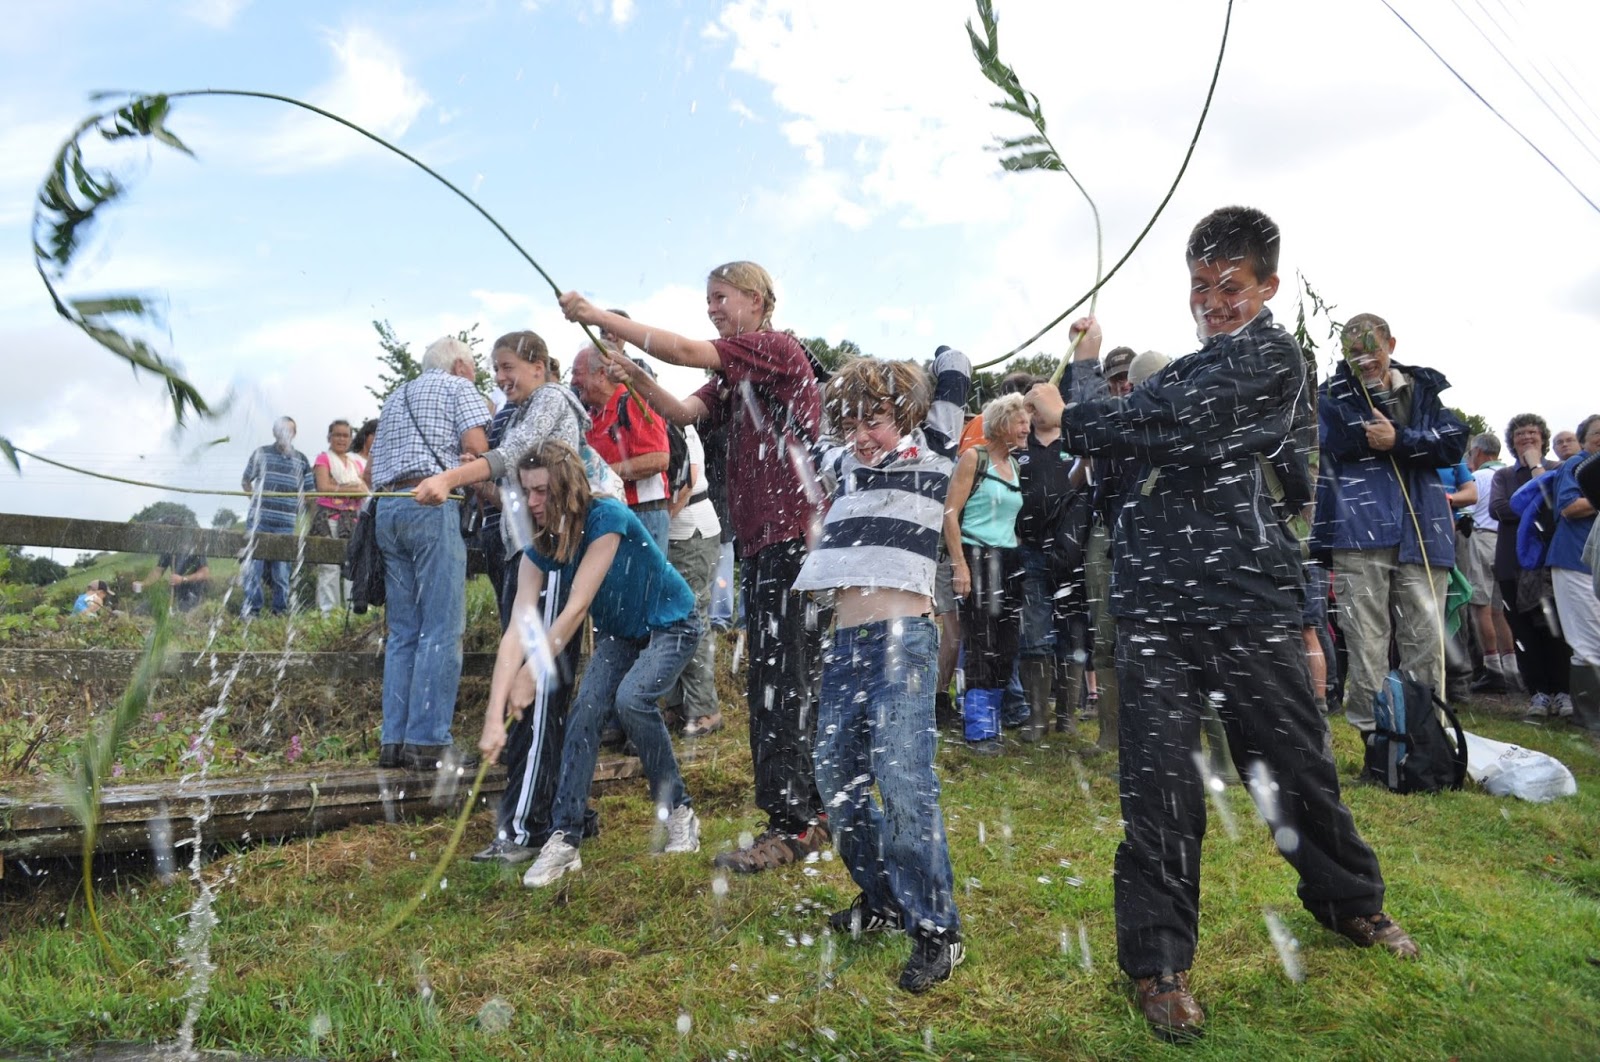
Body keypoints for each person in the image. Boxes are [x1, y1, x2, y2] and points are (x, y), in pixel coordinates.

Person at [1027, 206, 1416, 1042]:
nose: (1212, 302)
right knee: (1158, 778)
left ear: (1267, 286)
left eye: (1229, 287)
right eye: (1200, 287)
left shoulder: (1276, 357)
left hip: (1245, 595)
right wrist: (1082, 373)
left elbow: (1163, 425)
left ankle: (1352, 903)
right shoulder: (1184, 371)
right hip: (1156, 600)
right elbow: (1128, 436)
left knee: (1293, 762)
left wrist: (1078, 399)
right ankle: (1158, 963)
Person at [558, 260, 831, 876]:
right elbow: (681, 412)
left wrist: (600, 318)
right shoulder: (737, 376)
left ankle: (798, 822)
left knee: (785, 679)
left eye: (721, 297)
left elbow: (685, 351)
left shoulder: (774, 348)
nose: (711, 308)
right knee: (774, 677)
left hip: (794, 538)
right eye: (707, 299)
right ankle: (804, 814)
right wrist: (631, 377)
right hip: (764, 541)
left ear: (757, 300)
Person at [793, 358, 963, 993]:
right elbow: (803, 406)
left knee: (902, 778)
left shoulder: (936, 453)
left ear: (909, 416)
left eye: (877, 419)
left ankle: (936, 928)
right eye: (850, 421)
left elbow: (954, 367)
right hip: (844, 644)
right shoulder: (843, 464)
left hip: (903, 641)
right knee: (835, 778)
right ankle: (887, 898)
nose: (862, 433)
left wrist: (909, 373)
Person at [488, 442, 703, 888]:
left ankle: (680, 812)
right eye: (527, 491)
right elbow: (516, 630)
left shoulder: (607, 518)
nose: (533, 503)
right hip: (621, 633)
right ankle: (565, 838)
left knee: (632, 700)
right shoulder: (543, 542)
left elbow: (577, 605)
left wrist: (532, 673)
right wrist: (494, 718)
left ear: (566, 487)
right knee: (583, 715)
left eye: (543, 491)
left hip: (671, 622)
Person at [1313, 313, 1467, 734]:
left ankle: (1426, 738)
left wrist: (1400, 440)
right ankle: (1377, 740)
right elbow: (1340, 439)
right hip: (1359, 533)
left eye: (1372, 349)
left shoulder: (1425, 390)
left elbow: (1453, 442)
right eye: (1354, 352)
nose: (1364, 359)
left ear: (1391, 344)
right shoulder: (1332, 395)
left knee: (1424, 641)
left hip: (1423, 534)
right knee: (1365, 641)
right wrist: (1411, 439)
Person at [367, 336, 491, 771]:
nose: (475, 376)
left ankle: (394, 741)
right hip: (431, 503)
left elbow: (370, 468)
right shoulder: (458, 388)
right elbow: (478, 449)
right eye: (475, 368)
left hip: (386, 508)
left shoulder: (395, 396)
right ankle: (429, 741)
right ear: (460, 365)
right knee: (441, 627)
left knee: (403, 631)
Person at [943, 393, 1028, 753]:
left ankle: (991, 722)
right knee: (981, 642)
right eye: (1020, 421)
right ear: (1001, 423)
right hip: (977, 556)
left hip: (1010, 561)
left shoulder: (1016, 466)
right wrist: (960, 564)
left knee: (1006, 645)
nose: (1027, 427)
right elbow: (950, 513)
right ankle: (978, 730)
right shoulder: (973, 458)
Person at [1488, 414, 1571, 719]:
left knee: (1554, 630)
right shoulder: (1504, 476)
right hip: (1512, 562)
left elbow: (1554, 506)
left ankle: (1563, 692)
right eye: (1520, 434)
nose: (1526, 438)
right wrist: (1531, 502)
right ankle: (1538, 693)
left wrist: (1536, 471)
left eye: (1532, 432)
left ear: (1542, 438)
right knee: (1523, 632)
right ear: (1511, 441)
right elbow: (1498, 508)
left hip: (1549, 563)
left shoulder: (1558, 470)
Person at [568, 343, 673, 553]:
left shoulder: (635, 400)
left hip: (641, 515)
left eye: (577, 373)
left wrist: (602, 474)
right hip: (610, 514)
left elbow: (659, 459)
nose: (572, 382)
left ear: (600, 374)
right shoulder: (592, 416)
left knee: (641, 585)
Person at [663, 423, 725, 736]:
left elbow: (688, 480)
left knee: (692, 617)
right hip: (671, 530)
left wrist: (660, 522)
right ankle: (676, 704)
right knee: (667, 620)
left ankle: (704, 708)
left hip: (690, 530)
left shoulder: (678, 423)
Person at [1550, 415, 1600, 731]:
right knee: (1589, 640)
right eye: (1597, 433)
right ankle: (1589, 717)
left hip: (1593, 565)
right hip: (1575, 562)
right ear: (1583, 441)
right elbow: (1569, 507)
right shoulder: (1577, 465)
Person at [1462, 433, 1518, 694]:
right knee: (1501, 609)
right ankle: (1512, 669)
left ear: (1480, 453)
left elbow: (1466, 511)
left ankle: (1493, 669)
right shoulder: (1511, 475)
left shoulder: (1479, 478)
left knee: (1481, 607)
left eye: (1472, 453)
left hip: (1482, 538)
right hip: (1508, 543)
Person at [240, 416, 312, 617]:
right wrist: (254, 502)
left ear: (294, 434)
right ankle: (252, 611)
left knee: (281, 572)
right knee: (253, 568)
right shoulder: (261, 453)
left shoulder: (302, 460)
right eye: (281, 430)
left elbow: (310, 492)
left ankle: (279, 612)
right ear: (274, 432)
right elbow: (246, 481)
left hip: (286, 525)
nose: (285, 435)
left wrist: (299, 510)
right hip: (258, 523)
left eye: (289, 431)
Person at [311, 419, 368, 617]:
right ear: (329, 437)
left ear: (351, 439)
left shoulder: (354, 463)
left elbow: (364, 490)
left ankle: (353, 615)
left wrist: (340, 487)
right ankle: (329, 615)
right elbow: (323, 487)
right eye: (337, 435)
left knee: (352, 566)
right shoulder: (323, 459)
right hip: (329, 519)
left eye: (346, 435)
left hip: (352, 520)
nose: (341, 439)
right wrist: (352, 488)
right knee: (329, 568)